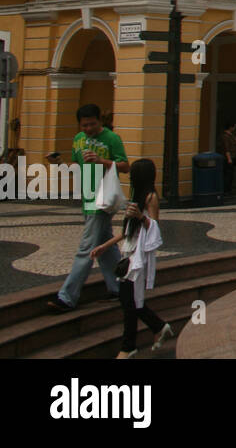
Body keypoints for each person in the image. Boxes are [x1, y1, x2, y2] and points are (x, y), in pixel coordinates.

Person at [49, 103, 128, 313]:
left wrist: (102, 160)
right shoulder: (78, 140)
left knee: (86, 250)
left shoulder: (112, 138)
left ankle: (67, 297)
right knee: (106, 245)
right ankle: (120, 286)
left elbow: (125, 166)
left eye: (92, 124)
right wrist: (60, 164)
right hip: (87, 196)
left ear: (99, 121)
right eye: (84, 126)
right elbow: (77, 166)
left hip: (102, 199)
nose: (88, 129)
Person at [90, 158, 171, 358]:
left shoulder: (151, 197)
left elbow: (155, 227)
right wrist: (105, 246)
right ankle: (158, 327)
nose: (130, 178)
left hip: (138, 258)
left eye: (133, 175)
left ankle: (128, 347)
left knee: (130, 302)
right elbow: (127, 231)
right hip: (129, 254)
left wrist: (141, 217)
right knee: (130, 301)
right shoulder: (136, 197)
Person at [219, 123, 236, 196]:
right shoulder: (226, 136)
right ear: (231, 127)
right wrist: (229, 158)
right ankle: (226, 190)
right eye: (234, 126)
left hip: (232, 156)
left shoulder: (230, 136)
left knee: (230, 174)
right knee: (228, 174)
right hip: (228, 157)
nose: (234, 128)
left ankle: (228, 189)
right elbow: (226, 148)